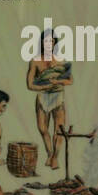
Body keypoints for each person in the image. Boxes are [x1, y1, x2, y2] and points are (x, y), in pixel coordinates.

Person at [26, 28, 72, 170]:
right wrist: (43, 87)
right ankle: (50, 153)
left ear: (54, 43)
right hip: (42, 96)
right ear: (42, 42)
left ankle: (55, 158)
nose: (48, 44)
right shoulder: (35, 61)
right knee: (42, 128)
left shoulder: (61, 60)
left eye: (51, 41)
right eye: (46, 41)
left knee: (59, 129)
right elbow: (30, 84)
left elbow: (69, 80)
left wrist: (57, 82)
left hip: (58, 96)